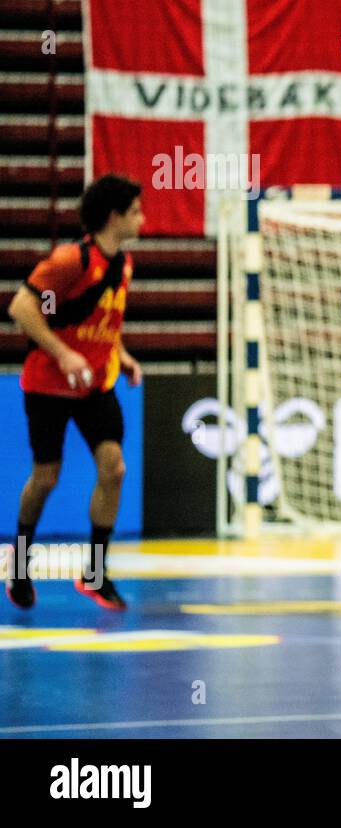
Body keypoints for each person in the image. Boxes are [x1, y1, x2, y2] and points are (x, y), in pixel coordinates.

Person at [6, 176, 145, 612]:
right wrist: (63, 354)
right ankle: (20, 562)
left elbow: (101, 319)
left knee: (114, 468)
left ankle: (95, 573)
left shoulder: (122, 265)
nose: (143, 218)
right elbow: (25, 309)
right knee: (46, 477)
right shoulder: (69, 261)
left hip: (94, 385)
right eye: (137, 210)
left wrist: (120, 354)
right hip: (49, 383)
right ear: (114, 216)